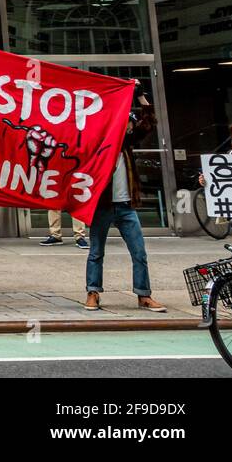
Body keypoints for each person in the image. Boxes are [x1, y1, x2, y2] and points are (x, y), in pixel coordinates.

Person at [85, 96, 167, 313]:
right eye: (125, 123)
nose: (129, 127)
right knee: (96, 251)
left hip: (126, 207)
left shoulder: (128, 146)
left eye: (130, 124)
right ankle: (93, 292)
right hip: (103, 207)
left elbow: (148, 122)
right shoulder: (100, 145)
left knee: (139, 252)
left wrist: (140, 97)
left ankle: (144, 295)